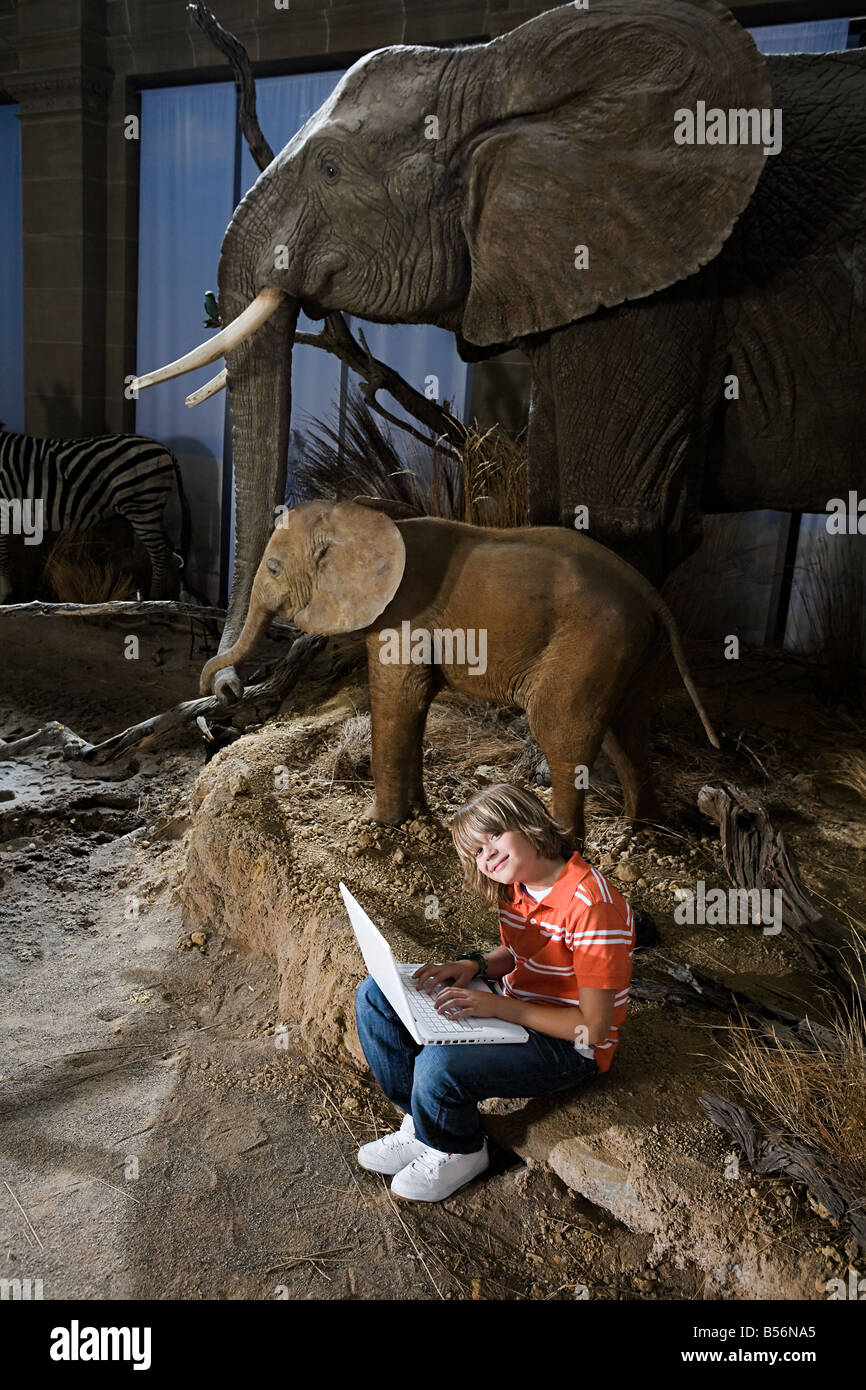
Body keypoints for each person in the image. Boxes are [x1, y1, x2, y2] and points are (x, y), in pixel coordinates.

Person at [354, 782, 635, 1203]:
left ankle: (460, 1148)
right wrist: (474, 966)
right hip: (515, 1009)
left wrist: (499, 1007)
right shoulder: (519, 885)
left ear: (530, 823)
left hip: (567, 1045)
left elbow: (593, 1029)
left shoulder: (593, 907)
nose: (489, 856)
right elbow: (521, 951)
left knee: (439, 1062)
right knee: (375, 996)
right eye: (478, 852)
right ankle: (425, 1123)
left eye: (495, 836)